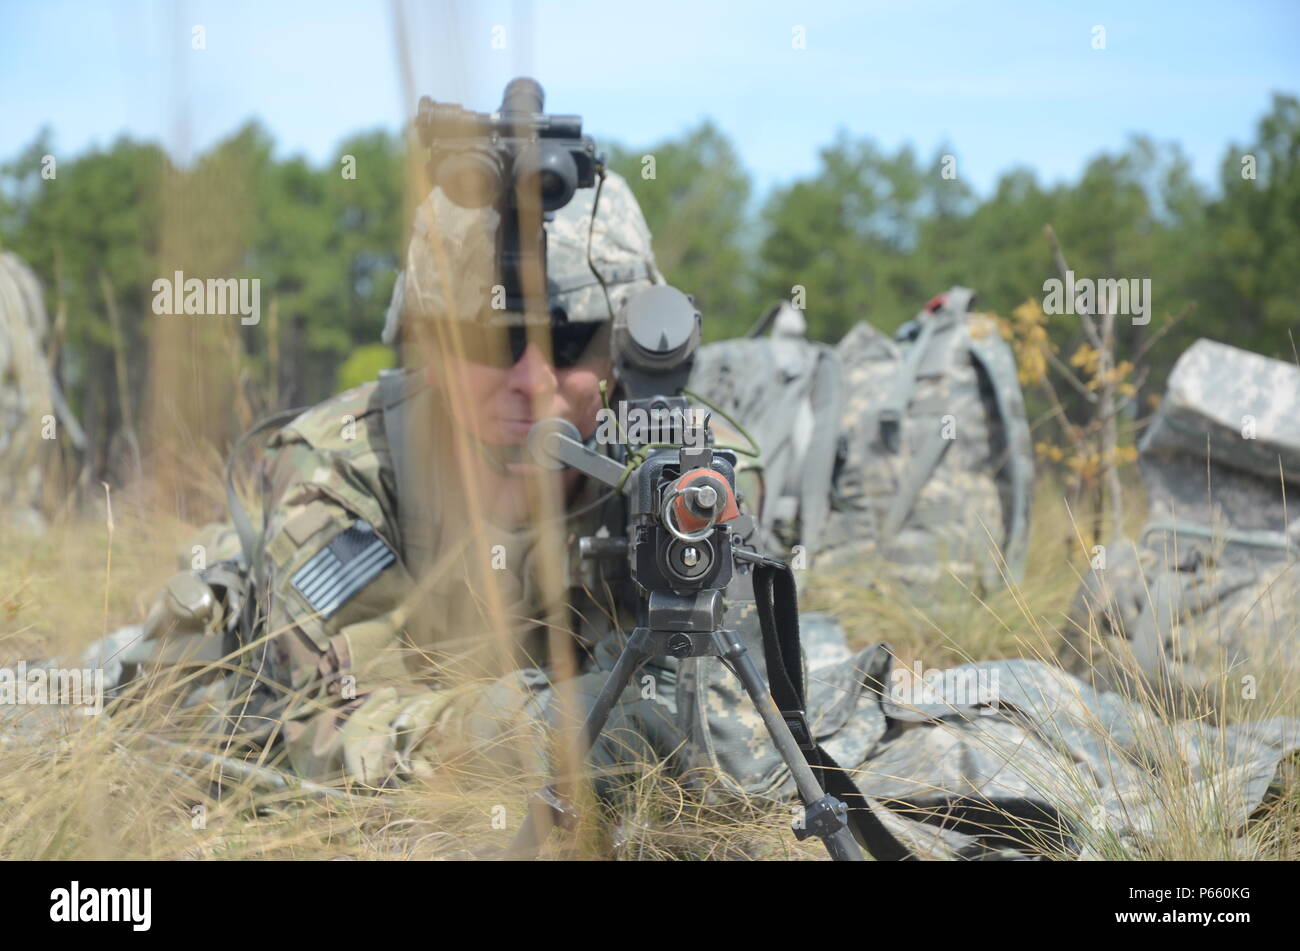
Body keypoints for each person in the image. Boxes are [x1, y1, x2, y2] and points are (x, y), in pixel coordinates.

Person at [84, 165, 1299, 862]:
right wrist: (544, 725)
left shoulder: (682, 455)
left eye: (565, 339)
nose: (526, 380)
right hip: (351, 692)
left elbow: (720, 725)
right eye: (484, 341)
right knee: (136, 681)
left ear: (625, 349)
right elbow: (303, 729)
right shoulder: (338, 471)